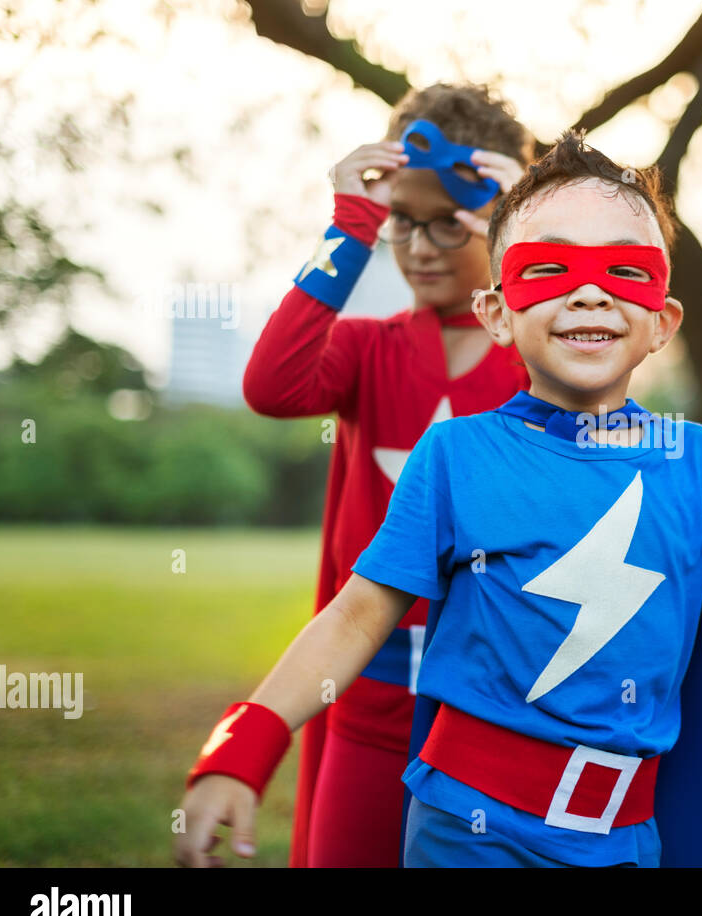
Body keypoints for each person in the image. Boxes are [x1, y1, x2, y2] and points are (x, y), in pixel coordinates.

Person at [176, 131, 702, 869]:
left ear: (663, 323)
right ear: (496, 314)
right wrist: (246, 744)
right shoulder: (456, 456)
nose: (590, 292)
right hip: (465, 830)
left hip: (627, 841)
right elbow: (357, 614)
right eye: (549, 267)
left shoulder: (699, 464)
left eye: (625, 270)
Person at [240, 83, 533, 866]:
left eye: (452, 221)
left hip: (498, 710)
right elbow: (272, 385)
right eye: (404, 219)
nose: (423, 246)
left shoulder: (541, 366)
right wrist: (350, 225)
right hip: (365, 699)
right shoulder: (368, 349)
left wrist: (523, 242)